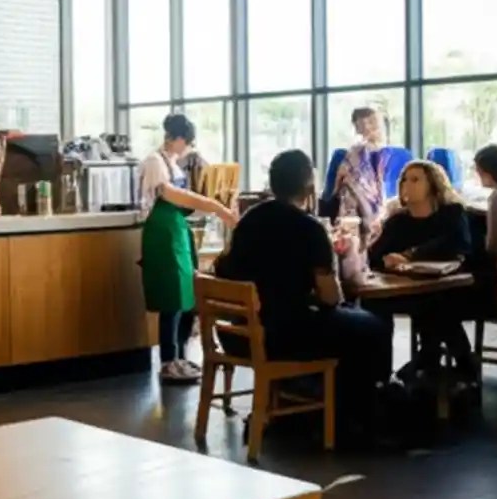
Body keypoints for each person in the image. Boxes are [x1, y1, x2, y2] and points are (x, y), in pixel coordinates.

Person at [214, 149, 391, 427]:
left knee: (348, 324)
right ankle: (357, 414)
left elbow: (226, 267)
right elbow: (330, 298)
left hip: (238, 334)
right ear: (309, 186)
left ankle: (303, 399)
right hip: (283, 337)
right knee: (372, 327)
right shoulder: (309, 229)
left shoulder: (249, 220)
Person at [139, 113, 240, 383]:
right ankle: (168, 361)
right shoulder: (154, 162)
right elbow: (173, 195)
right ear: (180, 138)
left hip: (177, 228)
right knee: (170, 296)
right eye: (188, 142)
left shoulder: (173, 163)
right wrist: (217, 208)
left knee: (185, 294)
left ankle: (181, 355)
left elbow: (185, 202)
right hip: (162, 232)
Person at [368, 160, 473, 379]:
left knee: (439, 305)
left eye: (415, 179)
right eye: (404, 179)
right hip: (407, 288)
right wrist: (385, 259)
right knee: (373, 304)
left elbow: (457, 244)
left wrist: (410, 254)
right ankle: (380, 374)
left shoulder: (452, 213)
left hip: (449, 286)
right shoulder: (398, 221)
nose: (407, 184)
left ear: (433, 185)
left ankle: (461, 366)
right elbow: (374, 255)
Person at [334, 107, 388, 237]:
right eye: (362, 124)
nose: (366, 127)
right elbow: (343, 173)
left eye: (370, 122)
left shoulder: (375, 151)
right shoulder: (357, 149)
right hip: (362, 195)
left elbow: (343, 173)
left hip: (368, 196)